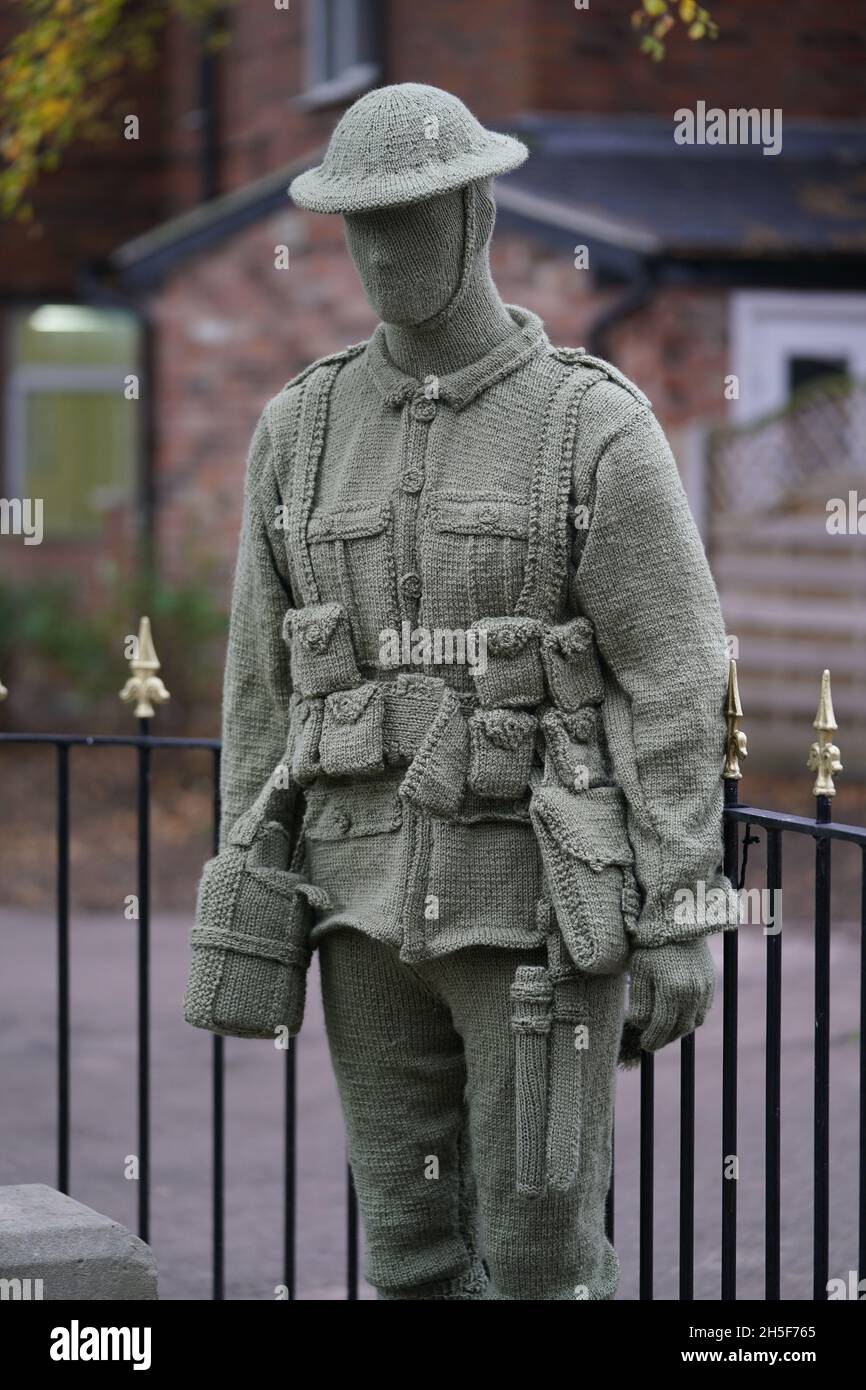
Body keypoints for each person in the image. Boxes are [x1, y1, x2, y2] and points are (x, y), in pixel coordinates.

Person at [184, 82, 733, 1301]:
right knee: (410, 1253)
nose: (380, 252)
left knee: (545, 1260)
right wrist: (249, 878)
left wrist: (681, 911)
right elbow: (261, 684)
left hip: (533, 920)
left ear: (479, 211)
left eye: (410, 218)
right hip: (355, 911)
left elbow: (676, 675)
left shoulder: (586, 427)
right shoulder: (300, 429)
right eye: (357, 225)